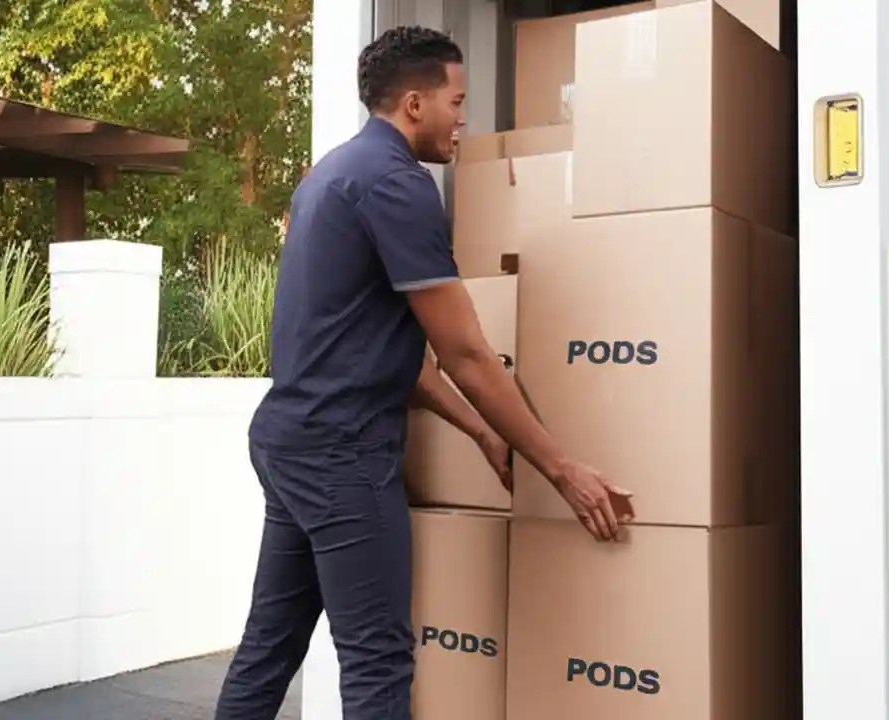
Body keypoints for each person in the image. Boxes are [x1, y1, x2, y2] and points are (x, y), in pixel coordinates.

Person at [214, 25, 634, 720]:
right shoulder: (396, 184)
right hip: (341, 455)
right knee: (377, 660)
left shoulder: (330, 176)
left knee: (270, 647)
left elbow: (392, 359)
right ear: (414, 103)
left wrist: (481, 434)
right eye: (457, 100)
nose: (463, 117)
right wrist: (565, 470)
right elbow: (465, 354)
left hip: (290, 440)